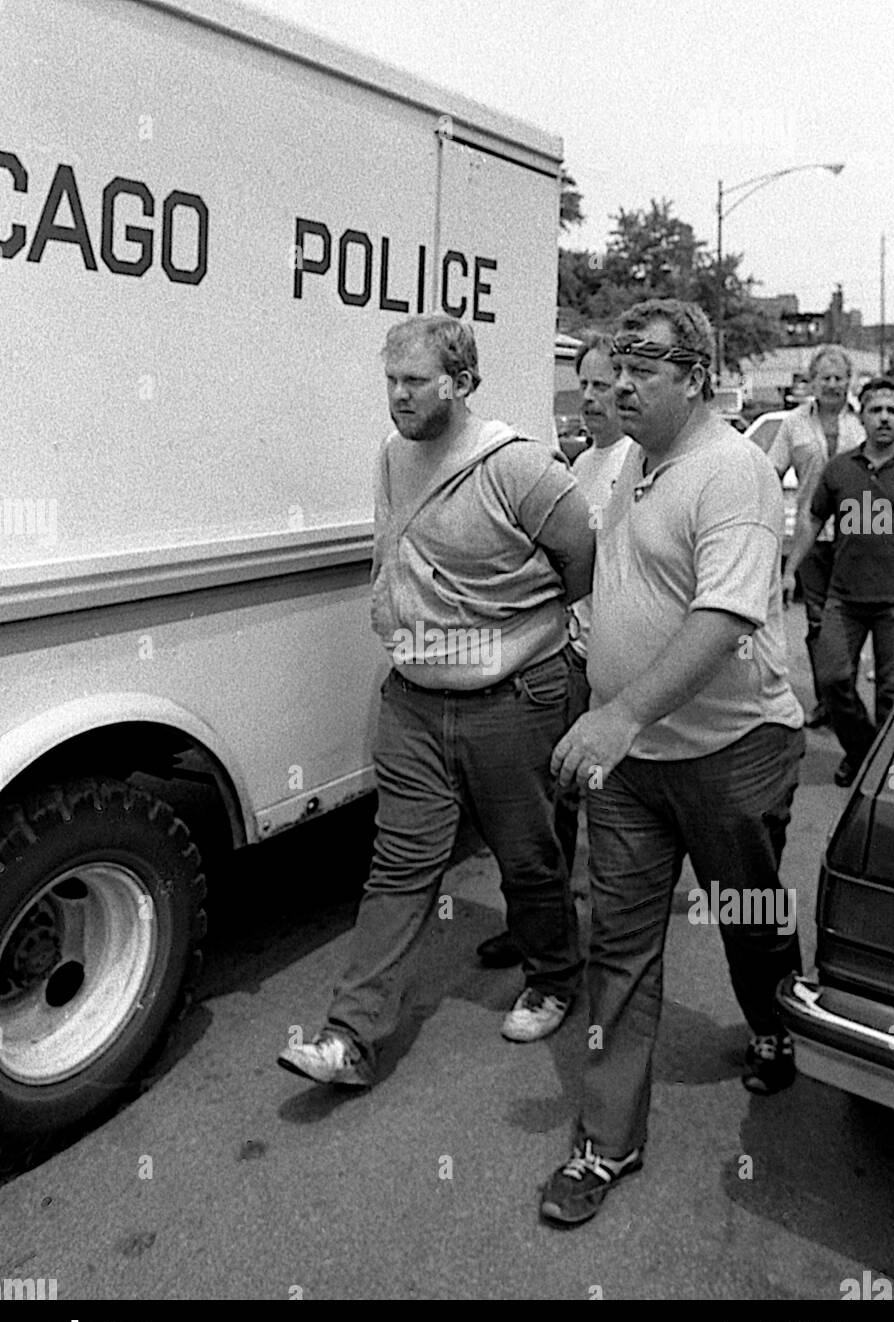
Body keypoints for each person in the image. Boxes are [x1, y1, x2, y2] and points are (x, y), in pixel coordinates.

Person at [538, 298, 805, 1228]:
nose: (616, 388)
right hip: (634, 768)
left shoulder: (732, 472)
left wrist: (618, 716)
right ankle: (606, 1142)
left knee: (749, 916)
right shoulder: (628, 464)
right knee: (618, 945)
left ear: (694, 376)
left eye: (638, 372)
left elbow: (725, 619)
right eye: (612, 372)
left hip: (733, 754)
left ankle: (775, 1023)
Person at [277, 315, 595, 1087]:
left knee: (527, 856)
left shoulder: (520, 468)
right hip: (416, 699)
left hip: (513, 697)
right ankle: (351, 1035)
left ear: (460, 381)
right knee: (399, 862)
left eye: (415, 381)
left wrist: (542, 643)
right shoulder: (392, 456)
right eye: (391, 381)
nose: (398, 396)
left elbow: (582, 557)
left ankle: (554, 973)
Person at [477, 330, 633, 970]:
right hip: (574, 656)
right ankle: (544, 929)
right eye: (585, 384)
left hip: (621, 669)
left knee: (618, 816)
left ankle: (610, 942)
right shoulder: (580, 462)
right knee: (552, 802)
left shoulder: (635, 463)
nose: (592, 398)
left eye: (605, 385)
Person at [783, 377, 894, 787]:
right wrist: (788, 570)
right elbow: (813, 521)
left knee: (890, 695)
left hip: (892, 602)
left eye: (892, 410)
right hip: (844, 598)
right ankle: (864, 754)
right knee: (832, 680)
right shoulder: (840, 469)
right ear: (861, 416)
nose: (884, 418)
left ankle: (880, 775)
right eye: (876, 410)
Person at [767, 347, 865, 728]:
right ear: (812, 381)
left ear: (849, 381)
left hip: (858, 538)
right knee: (818, 622)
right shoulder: (793, 424)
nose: (833, 384)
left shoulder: (865, 421)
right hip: (810, 538)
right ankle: (830, 700)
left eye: (839, 377)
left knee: (852, 623)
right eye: (825, 377)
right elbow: (771, 471)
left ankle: (845, 698)